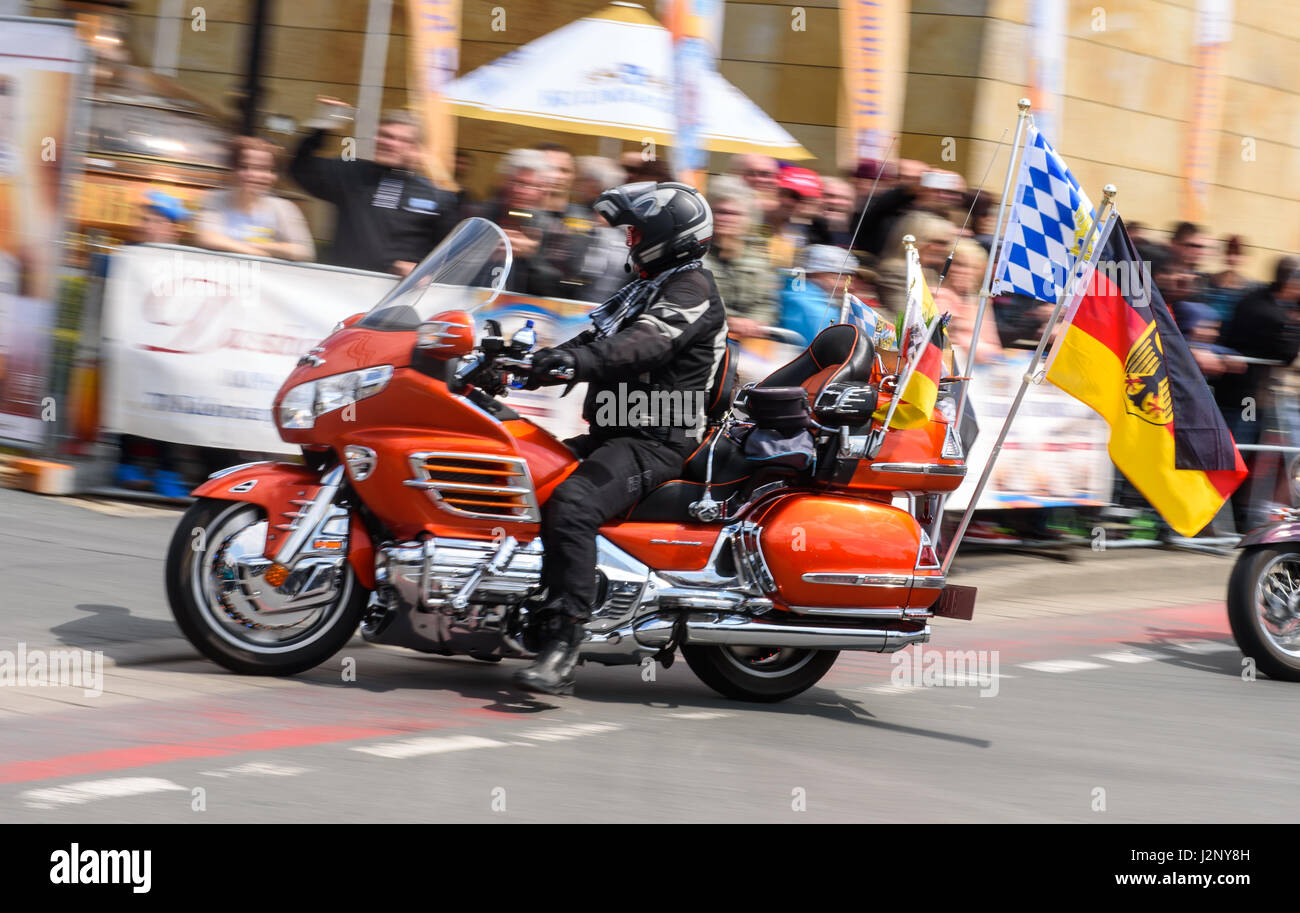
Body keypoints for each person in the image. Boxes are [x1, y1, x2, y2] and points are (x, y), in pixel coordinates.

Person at [513, 182, 726, 695]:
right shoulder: (646, 287)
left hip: (655, 439)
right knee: (520, 476)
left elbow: (645, 344)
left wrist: (576, 362)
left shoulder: (690, 288)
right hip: (616, 430)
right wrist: (521, 363)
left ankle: (564, 644)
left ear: (667, 238)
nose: (628, 241)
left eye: (636, 233)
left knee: (572, 505)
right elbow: (594, 340)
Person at [290, 105, 457, 274]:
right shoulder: (350, 174)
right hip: (343, 288)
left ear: (416, 149)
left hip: (401, 294)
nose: (387, 142)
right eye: (384, 135)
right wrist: (323, 125)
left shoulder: (436, 196)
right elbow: (300, 169)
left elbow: (454, 253)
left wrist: (424, 270)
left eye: (400, 139)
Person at [195, 136, 314, 261]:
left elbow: (303, 251)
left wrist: (251, 247)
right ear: (233, 171)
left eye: (262, 168)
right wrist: (256, 253)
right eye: (244, 167)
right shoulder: (214, 200)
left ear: (272, 176)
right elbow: (206, 237)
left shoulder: (285, 208)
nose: (253, 175)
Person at [472, 148, 571, 297]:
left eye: (532, 186)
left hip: (520, 312)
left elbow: (558, 290)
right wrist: (487, 253)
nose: (522, 191)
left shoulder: (554, 230)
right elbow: (451, 267)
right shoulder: (478, 216)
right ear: (504, 183)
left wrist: (531, 258)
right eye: (517, 182)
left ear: (544, 191)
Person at [703, 175, 777, 335]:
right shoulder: (698, 257)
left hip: (749, 343)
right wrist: (730, 320)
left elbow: (767, 302)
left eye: (733, 213)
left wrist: (757, 321)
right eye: (719, 212)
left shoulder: (759, 260)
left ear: (748, 218)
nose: (724, 218)